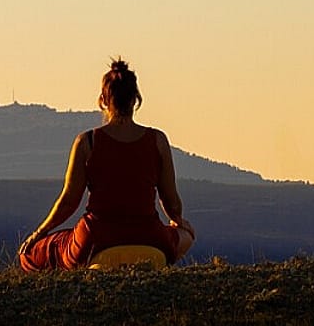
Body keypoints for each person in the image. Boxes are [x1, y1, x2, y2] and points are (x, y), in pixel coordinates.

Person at [18, 58, 195, 270]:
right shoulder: (157, 140)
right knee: (187, 234)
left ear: (103, 100)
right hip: (150, 237)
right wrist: (178, 221)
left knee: (31, 255)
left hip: (95, 239)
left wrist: (39, 233)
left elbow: (68, 202)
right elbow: (172, 202)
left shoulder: (87, 142)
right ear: (136, 100)